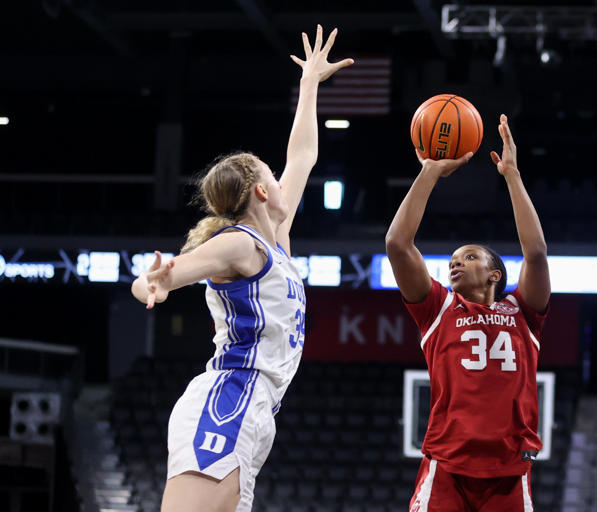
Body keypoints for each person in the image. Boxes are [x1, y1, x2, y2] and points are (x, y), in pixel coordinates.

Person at [130, 26, 353, 512]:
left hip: (255, 408)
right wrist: (156, 281)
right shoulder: (238, 245)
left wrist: (311, 83)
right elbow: (171, 272)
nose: (281, 180)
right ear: (260, 192)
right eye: (273, 178)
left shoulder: (277, 241)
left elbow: (303, 154)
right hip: (228, 398)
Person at [385, 114, 551, 511]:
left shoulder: (523, 312)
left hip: (510, 471)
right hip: (448, 468)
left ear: (495, 274)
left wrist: (511, 176)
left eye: (469, 257)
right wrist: (428, 173)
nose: (455, 264)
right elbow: (397, 243)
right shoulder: (437, 309)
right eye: (453, 260)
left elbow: (537, 252)